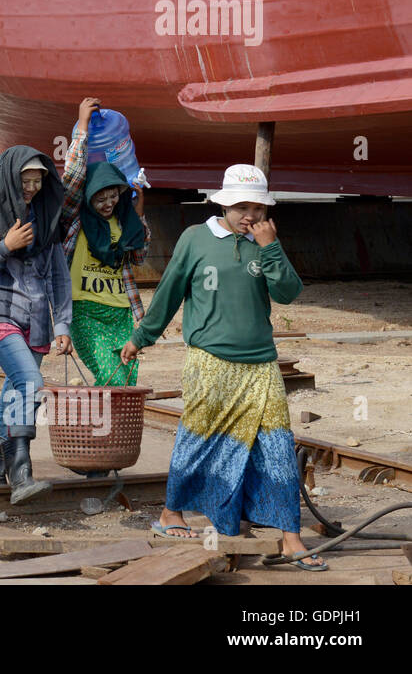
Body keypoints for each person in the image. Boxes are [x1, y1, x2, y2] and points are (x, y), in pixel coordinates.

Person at [119, 166, 323, 569]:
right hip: (209, 363)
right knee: (199, 440)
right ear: (223, 203)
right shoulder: (196, 239)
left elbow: (288, 293)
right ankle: (170, 514)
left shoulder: (263, 244)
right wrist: (140, 337)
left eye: (257, 208)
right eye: (241, 206)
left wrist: (270, 246)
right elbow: (169, 292)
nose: (249, 215)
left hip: (261, 366)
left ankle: (290, 537)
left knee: (277, 448)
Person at [0, 146, 72, 504]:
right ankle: (21, 472)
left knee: (12, 398)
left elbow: (58, 276)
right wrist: (4, 247)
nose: (33, 187)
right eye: (26, 180)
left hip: (36, 321)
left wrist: (62, 325)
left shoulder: (46, 216)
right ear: (10, 178)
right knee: (29, 382)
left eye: (38, 180)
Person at [61, 97, 150, 386]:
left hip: (121, 313)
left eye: (113, 196)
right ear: (88, 197)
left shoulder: (122, 221)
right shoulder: (76, 219)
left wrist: (138, 215)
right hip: (85, 310)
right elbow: (73, 178)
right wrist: (83, 126)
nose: (107, 203)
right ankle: (100, 429)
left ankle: (107, 431)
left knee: (125, 380)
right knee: (108, 375)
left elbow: (138, 257)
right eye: (100, 197)